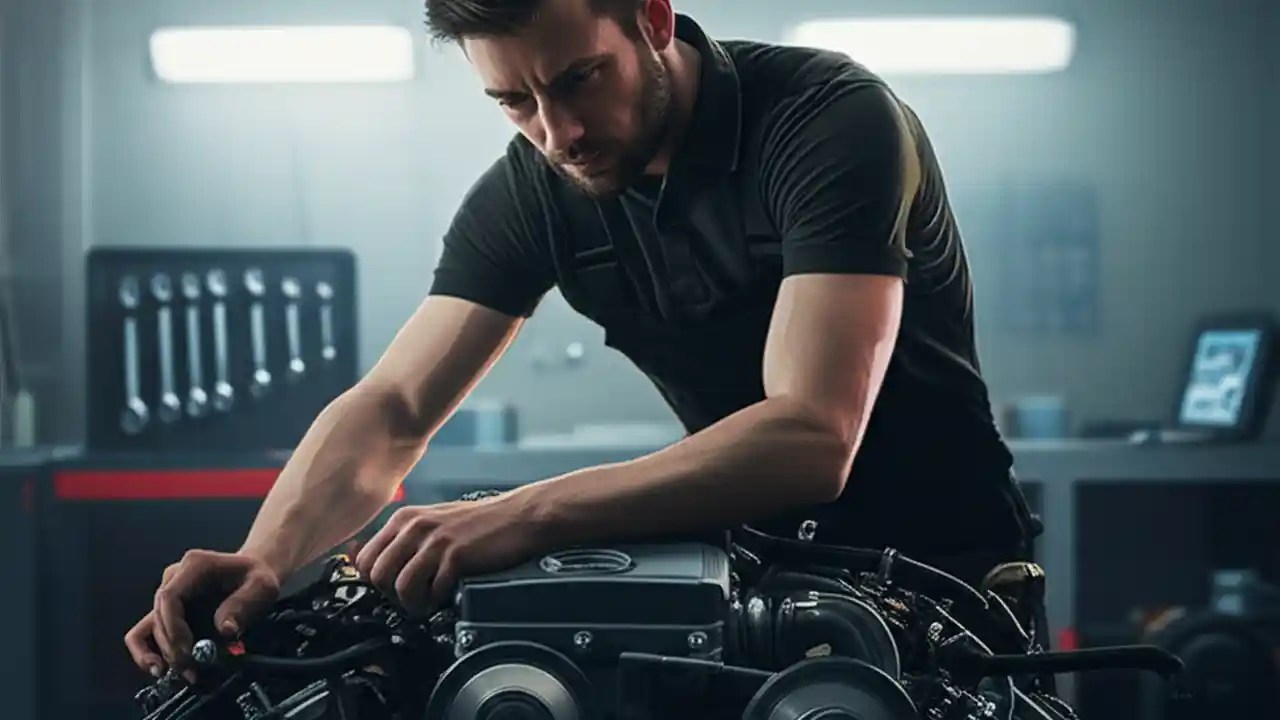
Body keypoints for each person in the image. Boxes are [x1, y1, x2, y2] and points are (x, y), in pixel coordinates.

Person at [125, 0, 1042, 681]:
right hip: (753, 584)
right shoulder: (533, 188)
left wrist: (522, 512)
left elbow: (811, 435)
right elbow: (396, 407)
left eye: (576, 80)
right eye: (513, 100)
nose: (555, 133)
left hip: (945, 589)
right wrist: (266, 556)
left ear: (650, 16)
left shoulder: (829, 121)